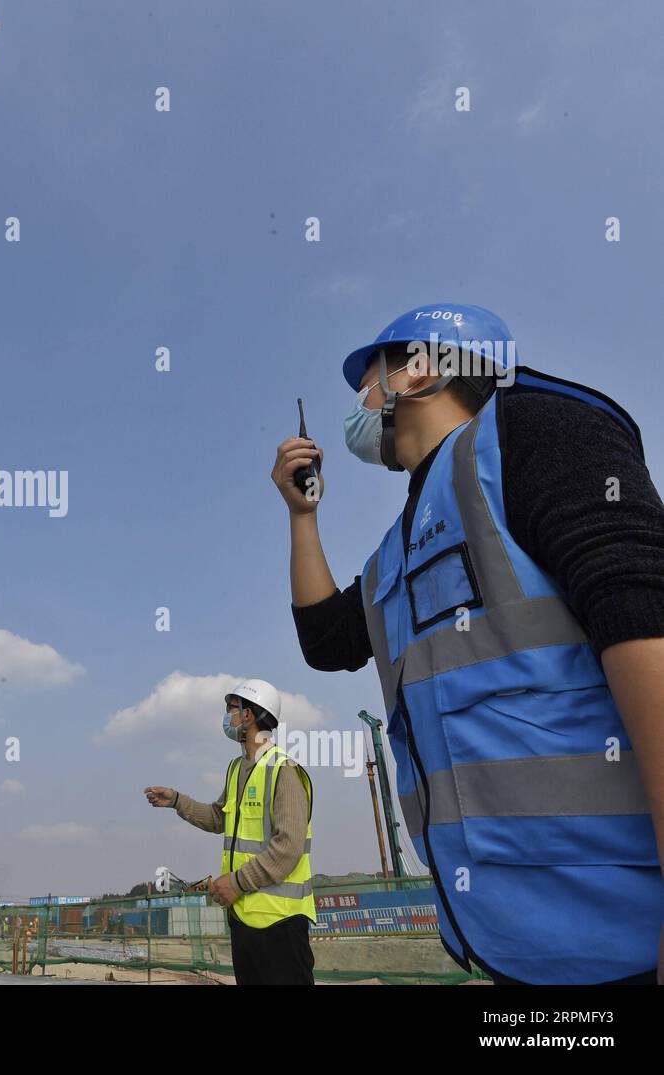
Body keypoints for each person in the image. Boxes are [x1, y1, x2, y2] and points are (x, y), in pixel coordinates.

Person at [273, 302, 664, 985]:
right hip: (509, 946)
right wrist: (303, 516)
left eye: (367, 383)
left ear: (418, 372)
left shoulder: (536, 430)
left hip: (625, 944)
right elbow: (327, 641)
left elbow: (645, 621)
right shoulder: (399, 546)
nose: (360, 406)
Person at [146, 679, 316, 984]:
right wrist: (176, 800)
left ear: (248, 715)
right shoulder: (237, 769)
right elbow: (218, 817)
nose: (227, 717)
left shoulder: (284, 771)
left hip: (281, 924)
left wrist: (236, 883)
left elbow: (288, 847)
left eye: (231, 709)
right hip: (242, 919)